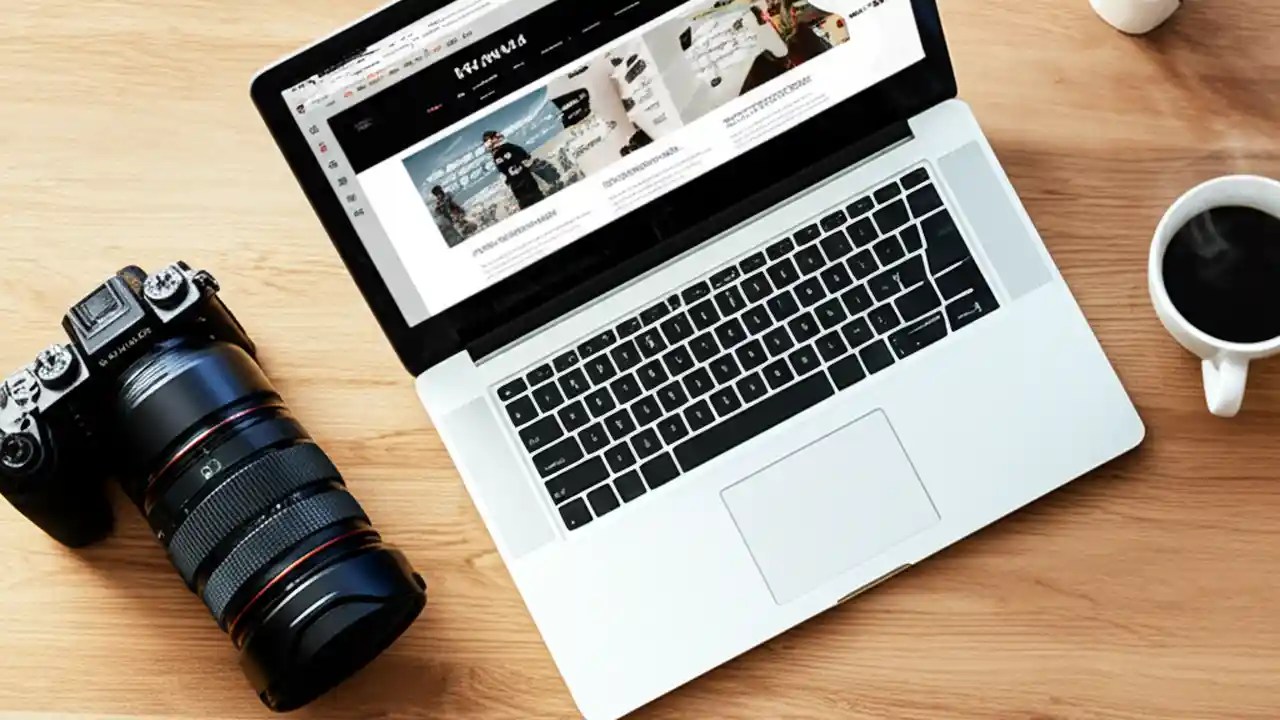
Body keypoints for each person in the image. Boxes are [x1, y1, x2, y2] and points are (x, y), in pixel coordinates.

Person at [482, 130, 545, 210]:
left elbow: (503, 172)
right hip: (528, 184)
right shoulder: (510, 147)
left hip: (518, 189)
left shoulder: (496, 157)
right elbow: (526, 156)